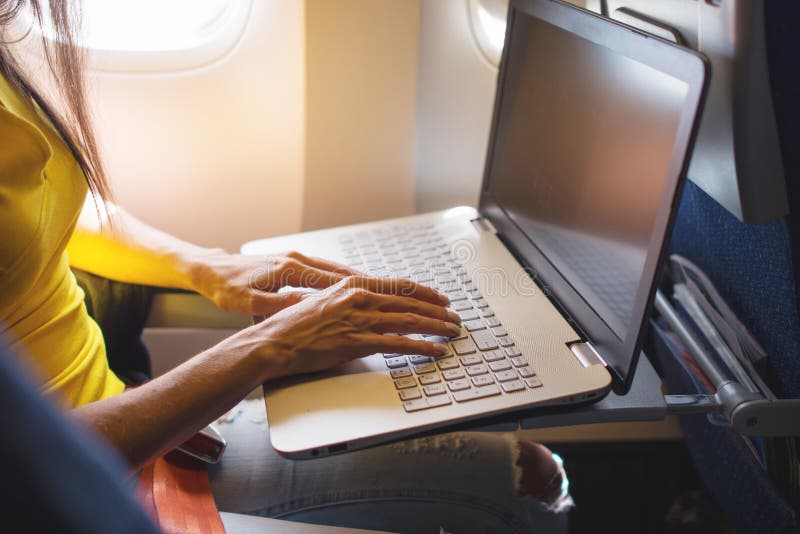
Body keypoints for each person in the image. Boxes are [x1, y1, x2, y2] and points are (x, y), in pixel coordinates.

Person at [0, 1, 571, 532]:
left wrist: (211, 267)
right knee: (524, 489)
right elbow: (23, 468)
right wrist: (268, 347)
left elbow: (43, 210)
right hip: (83, 489)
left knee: (531, 469)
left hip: (142, 429)